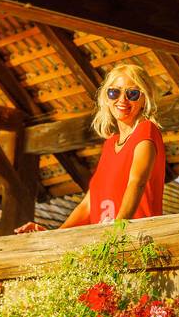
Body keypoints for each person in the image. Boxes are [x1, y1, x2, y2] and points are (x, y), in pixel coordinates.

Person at [15, 62, 166, 232]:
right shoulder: (110, 144)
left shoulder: (146, 130)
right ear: (106, 98)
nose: (122, 99)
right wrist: (55, 235)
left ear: (145, 99)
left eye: (132, 93)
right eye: (114, 92)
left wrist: (117, 230)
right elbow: (89, 203)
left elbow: (137, 182)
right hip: (102, 243)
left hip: (132, 239)